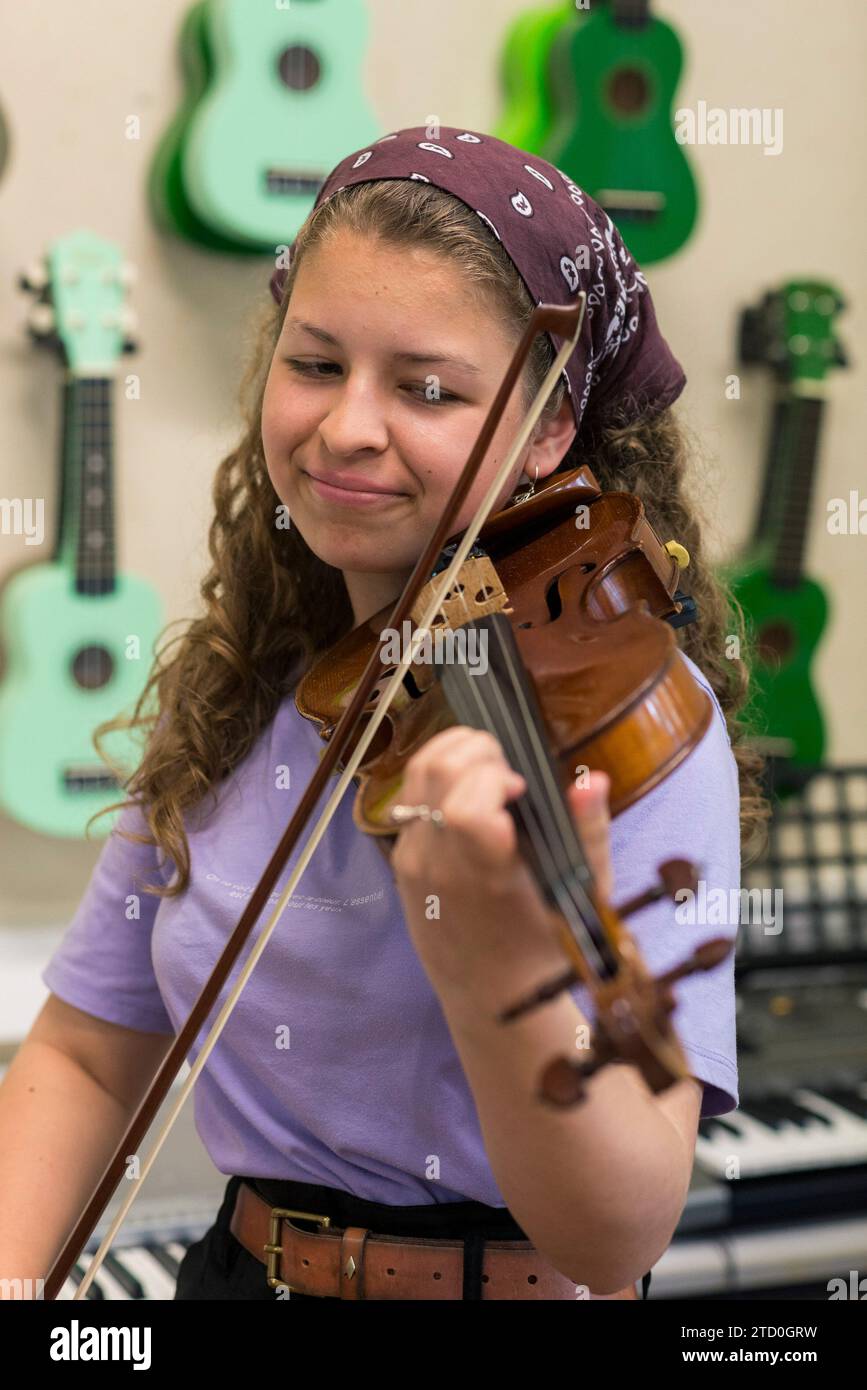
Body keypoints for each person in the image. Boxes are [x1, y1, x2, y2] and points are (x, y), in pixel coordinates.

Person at [0, 126, 766, 1302]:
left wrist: (502, 970)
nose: (348, 428)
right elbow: (90, 1053)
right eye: (314, 365)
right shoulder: (245, 681)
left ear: (550, 429)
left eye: (426, 387)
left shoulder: (629, 722)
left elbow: (616, 1238)